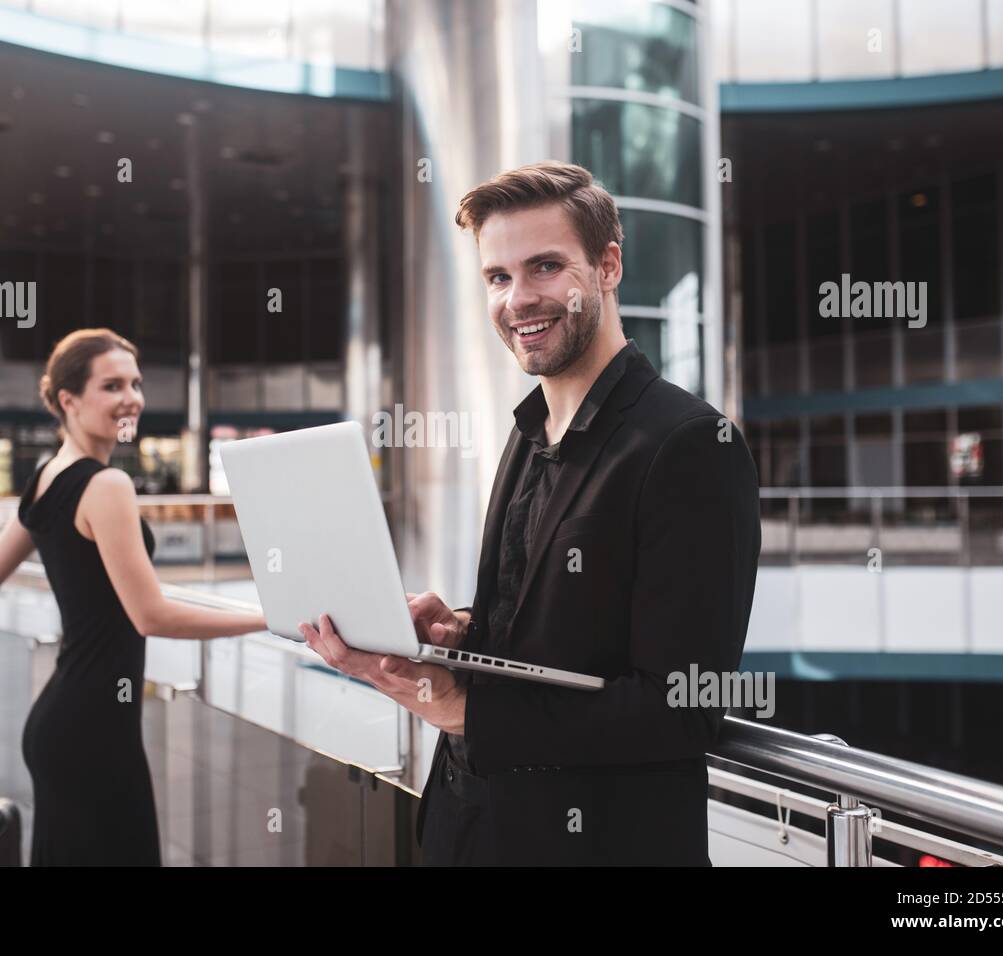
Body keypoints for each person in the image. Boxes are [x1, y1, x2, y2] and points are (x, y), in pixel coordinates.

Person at [302, 162, 762, 865]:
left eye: (545, 267)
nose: (518, 299)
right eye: (497, 277)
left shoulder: (691, 443)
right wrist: (457, 635)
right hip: (466, 826)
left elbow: (683, 707)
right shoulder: (527, 429)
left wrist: (457, 706)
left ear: (607, 266)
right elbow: (549, 637)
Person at [0, 328, 266, 866]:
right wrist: (266, 617)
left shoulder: (47, 478)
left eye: (135, 383)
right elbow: (151, 615)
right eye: (112, 386)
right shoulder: (105, 486)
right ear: (69, 400)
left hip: (63, 726)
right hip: (95, 735)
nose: (132, 398)